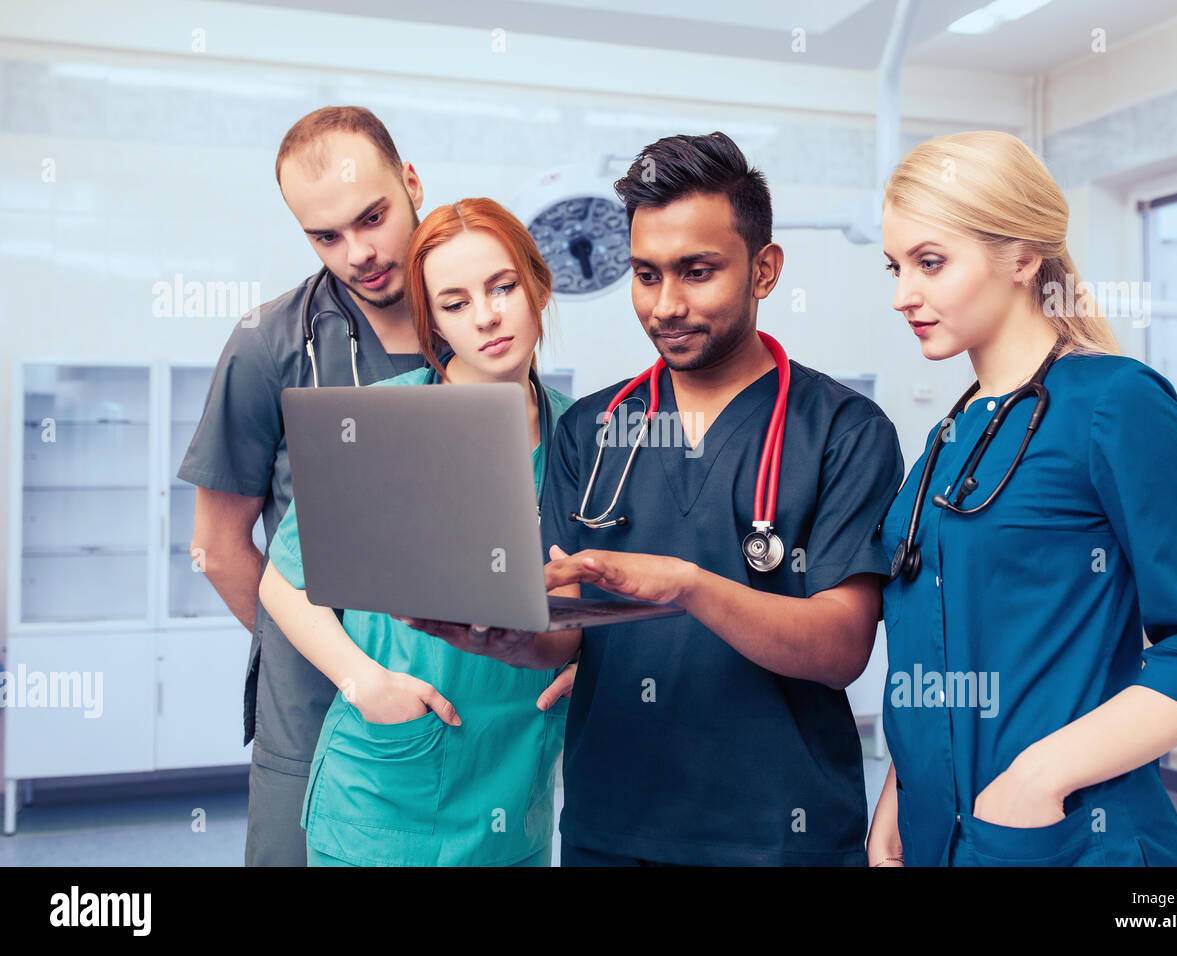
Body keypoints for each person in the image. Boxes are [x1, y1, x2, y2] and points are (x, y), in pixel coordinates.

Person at [401, 131, 905, 866]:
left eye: (697, 272)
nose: (667, 305)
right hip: (611, 832)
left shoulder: (842, 432)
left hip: (780, 836)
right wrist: (504, 638)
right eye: (646, 274)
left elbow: (842, 648)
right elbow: (566, 634)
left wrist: (689, 587)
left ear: (764, 270)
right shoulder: (592, 430)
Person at [865, 130, 1177, 867]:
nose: (902, 296)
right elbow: (952, 641)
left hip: (1071, 838)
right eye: (895, 266)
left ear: (1022, 257)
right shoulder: (950, 440)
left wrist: (1038, 779)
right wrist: (902, 785)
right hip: (935, 834)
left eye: (929, 262)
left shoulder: (1116, 404)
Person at [258, 197, 577, 867]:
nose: (486, 316)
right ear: (435, 322)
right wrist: (361, 681)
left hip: (513, 792)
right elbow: (282, 583)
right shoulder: (379, 426)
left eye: (502, 287)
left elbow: (608, 589)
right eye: (455, 304)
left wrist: (588, 662)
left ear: (538, 285)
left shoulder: (585, 436)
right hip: (383, 796)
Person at [180, 107, 433, 866]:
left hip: (455, 687)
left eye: (373, 217)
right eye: (326, 236)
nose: (359, 253)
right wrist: (324, 657)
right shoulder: (268, 346)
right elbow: (219, 550)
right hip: (317, 705)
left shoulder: (475, 325)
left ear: (412, 183)